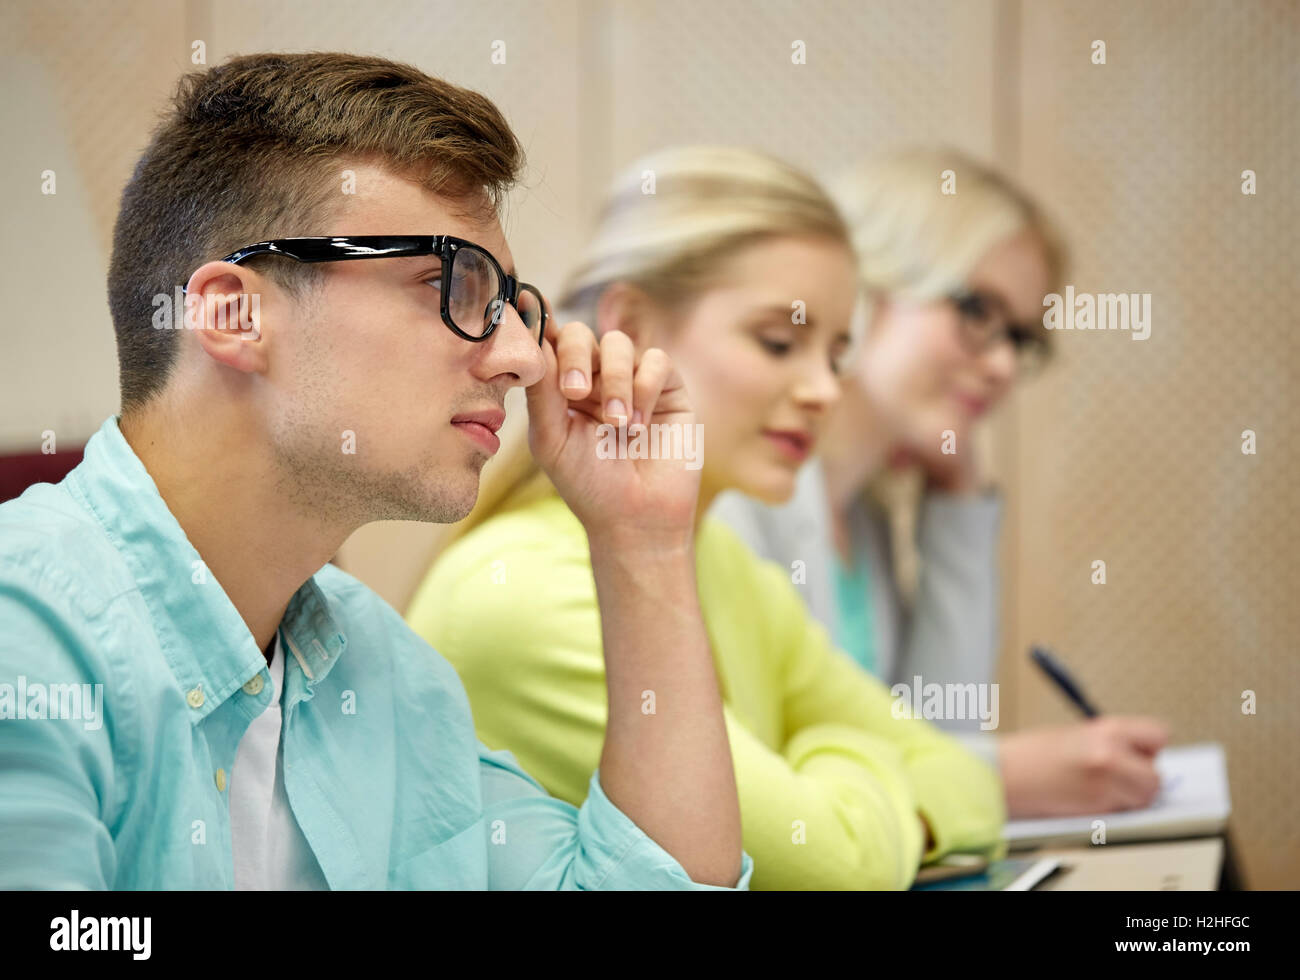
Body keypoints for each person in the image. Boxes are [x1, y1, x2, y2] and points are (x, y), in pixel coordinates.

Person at [0, 52, 752, 890]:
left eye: (511, 304)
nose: (523, 360)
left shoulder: (381, 671)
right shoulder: (26, 633)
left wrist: (640, 542)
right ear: (234, 314)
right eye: (452, 285)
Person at [407, 146, 1006, 890]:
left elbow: (966, 780)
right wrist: (847, 756)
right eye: (779, 342)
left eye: (838, 353)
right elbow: (829, 868)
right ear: (629, 323)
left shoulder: (724, 562)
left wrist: (838, 783)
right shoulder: (526, 592)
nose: (823, 389)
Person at [710, 148, 1168, 818]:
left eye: (1020, 337)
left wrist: (958, 508)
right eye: (978, 311)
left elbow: (934, 738)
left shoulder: (859, 521)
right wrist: (1003, 779)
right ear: (861, 287)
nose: (1005, 364)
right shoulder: (736, 496)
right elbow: (749, 787)